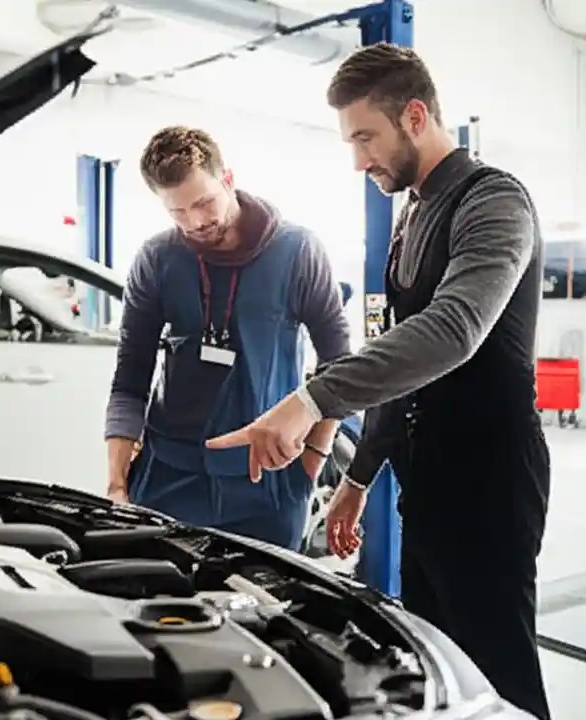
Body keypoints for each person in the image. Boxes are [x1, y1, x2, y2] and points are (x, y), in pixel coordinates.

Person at [206, 45, 552, 720]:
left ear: (415, 115)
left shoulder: (496, 203)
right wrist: (357, 481)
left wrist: (309, 402)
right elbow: (403, 360)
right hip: (429, 480)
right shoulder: (412, 212)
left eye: (365, 137)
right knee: (438, 670)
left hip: (491, 478)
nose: (358, 159)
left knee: (500, 673)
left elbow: (453, 331)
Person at [105, 126, 351, 551]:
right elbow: (131, 375)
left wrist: (314, 459)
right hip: (168, 477)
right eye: (177, 212)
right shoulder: (157, 258)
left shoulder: (298, 251)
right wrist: (115, 482)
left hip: (268, 483)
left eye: (204, 202)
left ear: (229, 179)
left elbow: (339, 362)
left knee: (262, 611)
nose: (195, 222)